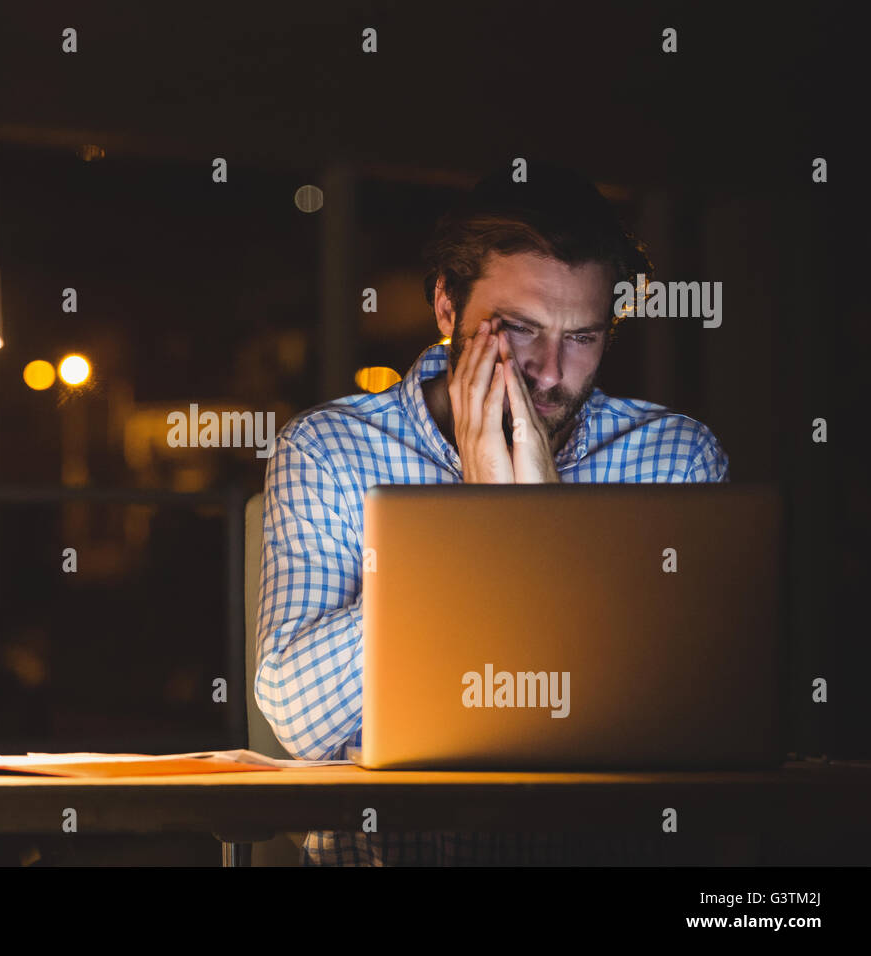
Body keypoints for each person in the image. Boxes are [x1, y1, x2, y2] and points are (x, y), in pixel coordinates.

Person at [254, 164, 729, 865]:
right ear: (448, 308)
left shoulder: (675, 458)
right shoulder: (331, 449)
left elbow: (698, 723)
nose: (549, 370)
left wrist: (537, 522)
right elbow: (301, 720)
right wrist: (474, 529)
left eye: (583, 337)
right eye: (518, 330)